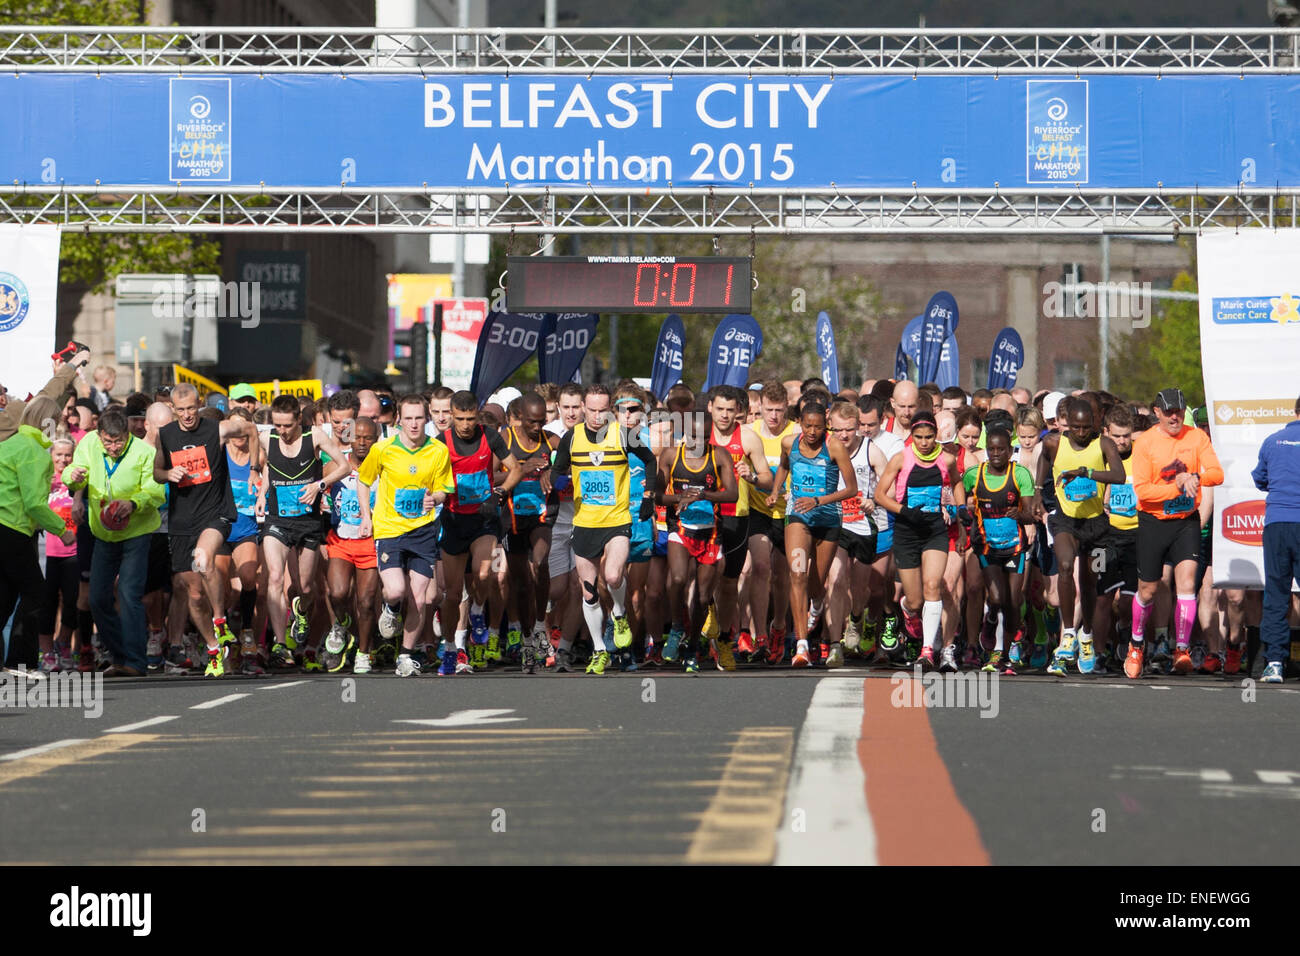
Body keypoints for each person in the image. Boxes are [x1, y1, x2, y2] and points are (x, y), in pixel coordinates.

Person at [550, 384, 658, 676]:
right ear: (584, 407)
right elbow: (557, 470)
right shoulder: (571, 438)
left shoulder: (623, 434)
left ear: (610, 410)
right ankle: (599, 650)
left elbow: (650, 461)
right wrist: (552, 490)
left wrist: (649, 496)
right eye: (592, 410)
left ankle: (620, 615)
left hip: (617, 520)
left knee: (612, 576)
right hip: (585, 524)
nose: (597, 417)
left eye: (602, 411)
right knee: (588, 593)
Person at [154, 383, 261, 677]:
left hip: (216, 514)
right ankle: (215, 648)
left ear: (199, 405)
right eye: (182, 410)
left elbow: (250, 431)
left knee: (203, 557)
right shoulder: (165, 435)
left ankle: (219, 620)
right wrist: (168, 474)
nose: (188, 415)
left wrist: (254, 468)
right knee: (193, 593)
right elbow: (156, 471)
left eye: (192, 408)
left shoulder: (216, 428)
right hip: (181, 521)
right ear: (174, 410)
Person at [1127, 387, 1224, 678]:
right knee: (1148, 589)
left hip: (1185, 521)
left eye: (1179, 411)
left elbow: (1217, 473)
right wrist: (1177, 485)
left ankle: (1180, 648)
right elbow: (1142, 490)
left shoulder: (1197, 437)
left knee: (1186, 581)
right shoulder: (1145, 443)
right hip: (1153, 522)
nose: (1174, 416)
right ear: (1157, 412)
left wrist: (1194, 476)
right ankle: (1136, 645)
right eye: (1168, 411)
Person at [62, 407, 166, 677]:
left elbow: (156, 492)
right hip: (103, 533)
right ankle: (119, 657)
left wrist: (133, 503)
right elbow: (74, 469)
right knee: (96, 598)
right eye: (108, 441)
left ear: (127, 434)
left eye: (118, 441)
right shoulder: (89, 443)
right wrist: (71, 477)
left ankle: (135, 661)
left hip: (137, 532)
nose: (113, 447)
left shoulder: (144, 452)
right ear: (99, 435)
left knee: (129, 594)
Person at [357, 393, 454, 677]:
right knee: (397, 589)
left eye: (419, 418)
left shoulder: (438, 451)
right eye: (408, 418)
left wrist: (433, 499)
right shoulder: (383, 449)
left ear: (427, 419)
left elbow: (443, 490)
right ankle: (391, 606)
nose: (414, 424)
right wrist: (366, 516)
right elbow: (364, 481)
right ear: (399, 419)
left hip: (423, 531)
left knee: (422, 598)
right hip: (390, 529)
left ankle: (406, 655)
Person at [256, 394, 351, 670]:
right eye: (278, 425)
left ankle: (300, 610)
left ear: (299, 419)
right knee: (275, 577)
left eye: (287, 425)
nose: (282, 431)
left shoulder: (316, 436)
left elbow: (344, 466)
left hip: (308, 521)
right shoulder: (267, 438)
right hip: (277, 519)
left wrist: (320, 485)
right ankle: (280, 644)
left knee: (306, 588)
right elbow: (268, 467)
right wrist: (262, 492)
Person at [1036, 399, 1126, 676]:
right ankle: (1068, 635)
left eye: (1087, 427)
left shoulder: (1104, 444)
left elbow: (1119, 476)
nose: (1081, 432)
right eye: (1076, 427)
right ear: (1067, 424)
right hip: (1065, 519)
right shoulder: (1054, 442)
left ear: (1094, 425)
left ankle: (1086, 636)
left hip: (1098, 526)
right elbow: (1044, 459)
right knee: (1064, 567)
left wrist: (1087, 472)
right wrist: (1039, 491)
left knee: (1091, 584)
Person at [436, 390, 523, 672]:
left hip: (484, 519)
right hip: (453, 521)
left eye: (470, 418)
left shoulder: (490, 436)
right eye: (459, 418)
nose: (465, 425)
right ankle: (451, 647)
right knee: (451, 594)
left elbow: (516, 469)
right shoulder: (441, 443)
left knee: (485, 572)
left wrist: (499, 493)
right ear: (451, 415)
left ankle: (477, 611)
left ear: (477, 414)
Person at [875, 410, 967, 672]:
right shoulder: (900, 459)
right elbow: (880, 495)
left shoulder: (946, 459)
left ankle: (927, 650)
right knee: (915, 600)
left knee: (933, 585)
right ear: (912, 436)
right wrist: (904, 511)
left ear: (935, 436)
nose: (924, 442)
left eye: (929, 437)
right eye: (918, 437)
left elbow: (957, 483)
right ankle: (907, 609)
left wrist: (961, 510)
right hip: (906, 531)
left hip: (935, 530)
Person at [768, 400, 857, 668]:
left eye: (818, 427)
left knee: (817, 584)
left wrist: (819, 500)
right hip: (798, 516)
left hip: (828, 519)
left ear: (825, 427)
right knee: (797, 574)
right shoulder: (789, 443)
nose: (812, 432)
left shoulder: (835, 447)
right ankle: (801, 646)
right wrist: (775, 490)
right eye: (808, 426)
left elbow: (851, 488)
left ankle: (816, 606)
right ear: (800, 424)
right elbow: (784, 466)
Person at [0, 396, 78, 672]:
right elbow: (34, 503)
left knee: (7, 596)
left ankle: (11, 663)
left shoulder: (9, 445)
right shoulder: (35, 452)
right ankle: (21, 662)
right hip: (12, 528)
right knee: (36, 593)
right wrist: (62, 530)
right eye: (56, 422)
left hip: (5, 527)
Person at [658, 408, 737, 672]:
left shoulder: (719, 456)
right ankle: (677, 628)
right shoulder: (671, 455)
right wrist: (680, 499)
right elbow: (657, 495)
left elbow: (732, 495)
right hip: (680, 528)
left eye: (704, 437)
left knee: (703, 598)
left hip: (710, 533)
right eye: (693, 436)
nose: (698, 443)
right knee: (678, 579)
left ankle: (693, 648)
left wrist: (703, 496)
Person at [705, 384, 772, 663]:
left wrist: (752, 476)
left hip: (737, 516)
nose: (724, 415)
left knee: (730, 582)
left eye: (730, 410)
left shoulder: (747, 437)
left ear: (739, 412)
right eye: (719, 409)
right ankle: (706, 626)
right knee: (705, 575)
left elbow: (768, 480)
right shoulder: (699, 434)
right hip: (705, 516)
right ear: (710, 407)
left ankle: (724, 640)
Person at [963, 426, 1037, 673]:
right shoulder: (974, 474)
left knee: (1014, 601)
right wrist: (962, 510)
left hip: (1015, 547)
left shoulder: (1021, 475)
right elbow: (959, 497)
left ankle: (1003, 655)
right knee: (996, 598)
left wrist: (1021, 514)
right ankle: (990, 618)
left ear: (1010, 451)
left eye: (1001, 449)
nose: (996, 454)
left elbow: (1030, 515)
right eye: (991, 449)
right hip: (987, 548)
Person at [324, 415, 381, 674]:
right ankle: (342, 624)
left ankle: (364, 652)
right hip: (341, 540)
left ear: (376, 439)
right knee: (337, 593)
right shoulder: (336, 465)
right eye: (357, 436)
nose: (362, 442)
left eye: (368, 437)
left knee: (367, 602)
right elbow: (318, 489)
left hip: (370, 543)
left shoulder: (384, 468)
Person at [1250, 394, 1300, 683]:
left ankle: (1275, 663)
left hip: (1278, 523)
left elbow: (1260, 479)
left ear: (1295, 412)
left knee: (1277, 594)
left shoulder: (1273, 441)